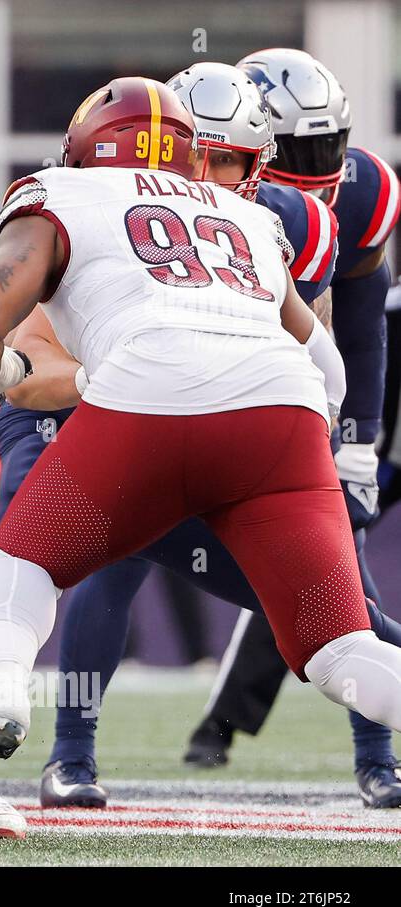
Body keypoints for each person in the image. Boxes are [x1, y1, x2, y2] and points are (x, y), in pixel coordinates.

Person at [0, 77, 401, 820]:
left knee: (19, 565)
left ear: (79, 151)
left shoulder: (59, 193)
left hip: (146, 398)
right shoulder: (247, 217)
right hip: (283, 413)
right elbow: (327, 364)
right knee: (340, 651)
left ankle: (5, 698)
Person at [178, 50, 401, 808]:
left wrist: (360, 441)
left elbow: (362, 331)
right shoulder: (199, 196)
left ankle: (373, 756)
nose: (321, 168)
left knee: (338, 570)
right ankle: (72, 750)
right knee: (87, 565)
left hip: (296, 396)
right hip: (189, 399)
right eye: (297, 151)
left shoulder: (360, 192)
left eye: (328, 146)